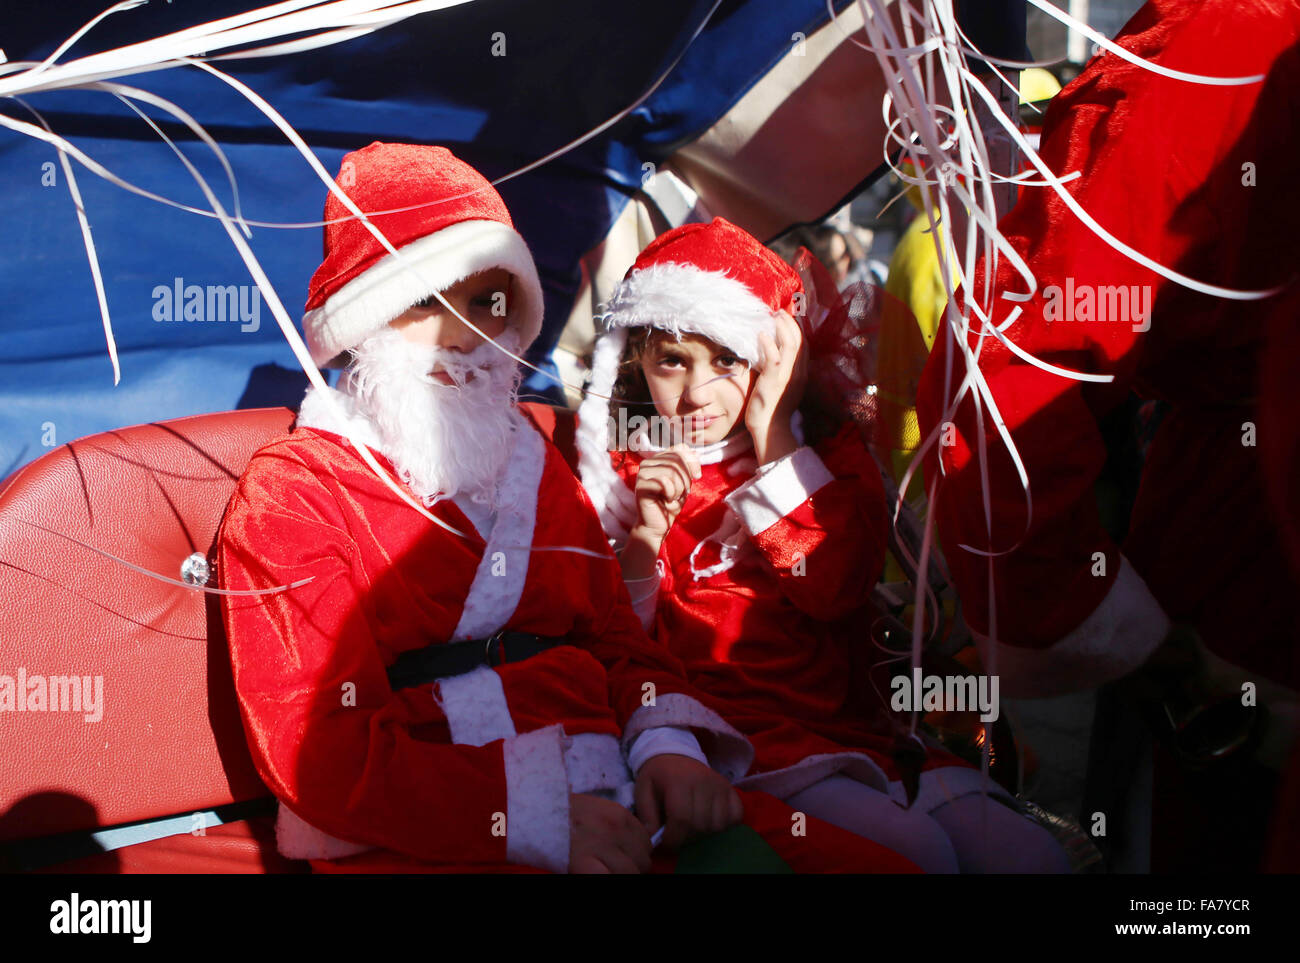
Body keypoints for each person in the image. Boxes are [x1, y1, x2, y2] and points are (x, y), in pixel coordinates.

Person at [216, 142, 920, 874]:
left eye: (487, 301)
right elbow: (317, 747)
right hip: (438, 830)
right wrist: (528, 820)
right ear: (363, 322)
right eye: (424, 301)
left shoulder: (528, 460)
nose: (465, 335)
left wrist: (668, 748)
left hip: (623, 788)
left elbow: (617, 637)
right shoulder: (295, 494)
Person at [574, 216, 1070, 872]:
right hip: (741, 744)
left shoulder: (830, 450)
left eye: (726, 355)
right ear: (635, 357)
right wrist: (643, 539)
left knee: (1029, 857)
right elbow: (611, 641)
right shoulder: (622, 474)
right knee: (917, 858)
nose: (696, 390)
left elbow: (832, 587)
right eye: (672, 359)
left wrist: (775, 435)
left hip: (875, 728)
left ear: (780, 352)